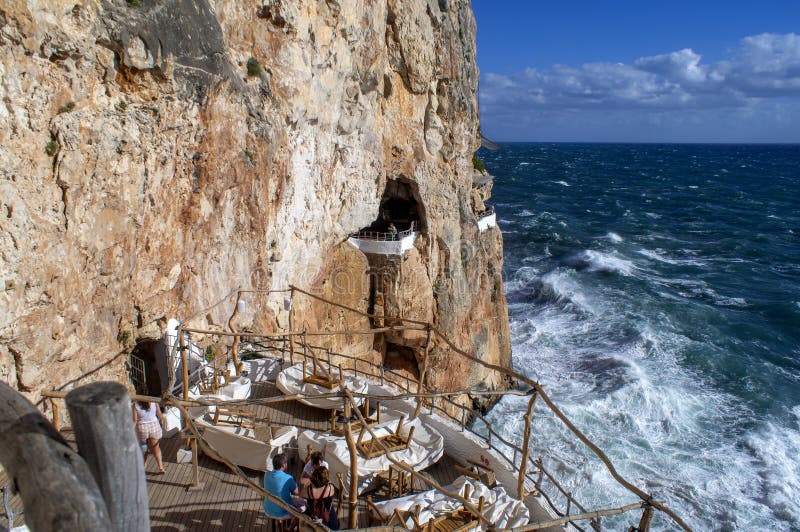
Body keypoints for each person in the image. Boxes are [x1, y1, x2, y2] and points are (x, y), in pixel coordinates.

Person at [263, 453, 306, 521]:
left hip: (267, 510)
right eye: (286, 462)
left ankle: (281, 526)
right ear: (283, 465)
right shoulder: (288, 478)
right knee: (304, 506)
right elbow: (296, 492)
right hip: (283, 513)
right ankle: (290, 527)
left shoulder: (266, 474)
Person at [132, 400, 165, 474]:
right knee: (156, 448)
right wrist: (162, 422)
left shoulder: (135, 405)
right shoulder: (153, 401)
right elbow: (159, 414)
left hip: (141, 428)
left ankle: (143, 465)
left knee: (144, 449)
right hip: (154, 426)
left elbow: (134, 421)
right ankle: (161, 467)